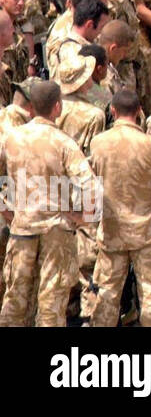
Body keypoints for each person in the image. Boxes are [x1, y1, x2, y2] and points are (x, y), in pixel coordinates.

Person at [0, 80, 98, 326]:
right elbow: (89, 185)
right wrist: (82, 218)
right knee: (52, 300)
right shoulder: (64, 142)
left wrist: (5, 208)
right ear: (57, 107)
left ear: (31, 106)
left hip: (22, 228)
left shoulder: (11, 138)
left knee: (16, 298)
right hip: (56, 231)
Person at [87, 88, 151, 328]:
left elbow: (90, 180)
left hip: (111, 230)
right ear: (139, 112)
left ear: (113, 111)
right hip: (147, 231)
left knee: (107, 295)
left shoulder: (98, 143)